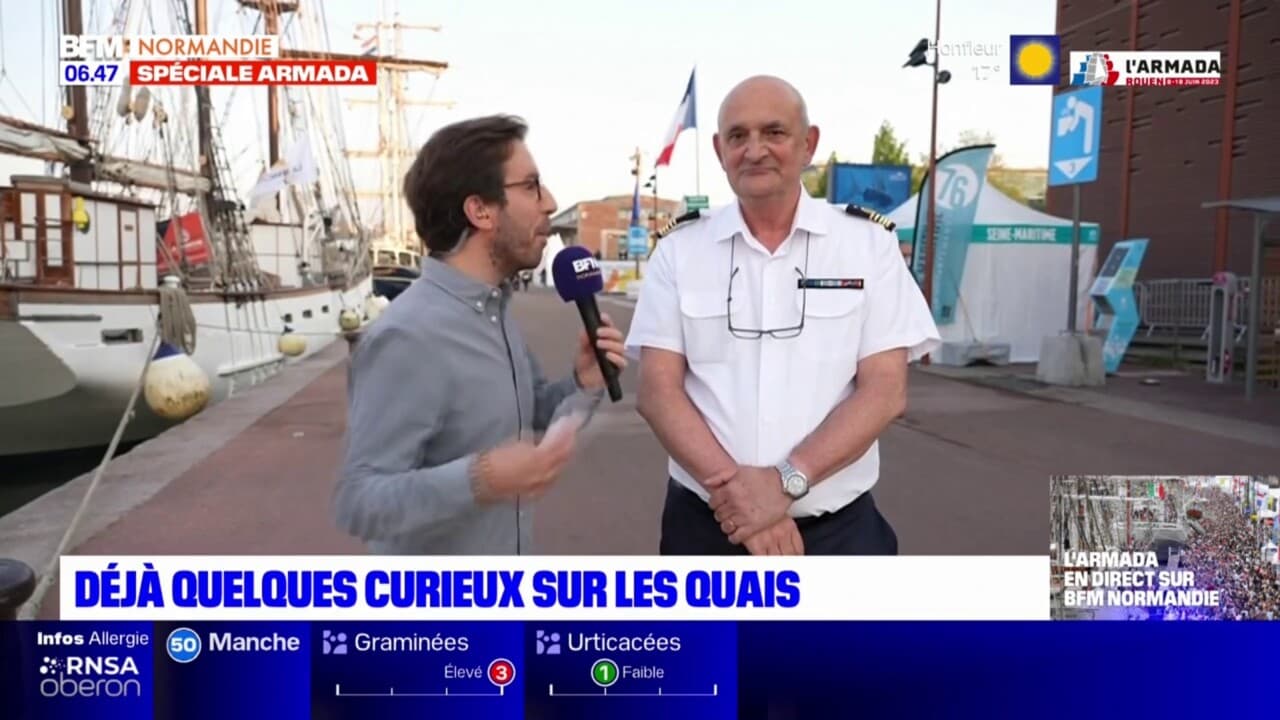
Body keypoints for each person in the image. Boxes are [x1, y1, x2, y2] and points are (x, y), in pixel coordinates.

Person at [626, 76, 940, 556]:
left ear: (808, 143)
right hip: (707, 528)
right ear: (719, 151)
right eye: (738, 136)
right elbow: (657, 391)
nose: (754, 151)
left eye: (774, 132)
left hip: (839, 533)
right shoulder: (680, 250)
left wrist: (787, 482)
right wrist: (747, 506)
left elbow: (884, 390)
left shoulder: (867, 245)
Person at [335, 114, 627, 555]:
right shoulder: (407, 337)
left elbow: (531, 410)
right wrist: (480, 479)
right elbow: (360, 501)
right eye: (531, 186)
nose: (550, 202)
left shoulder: (495, 312)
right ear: (480, 211)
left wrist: (583, 384)